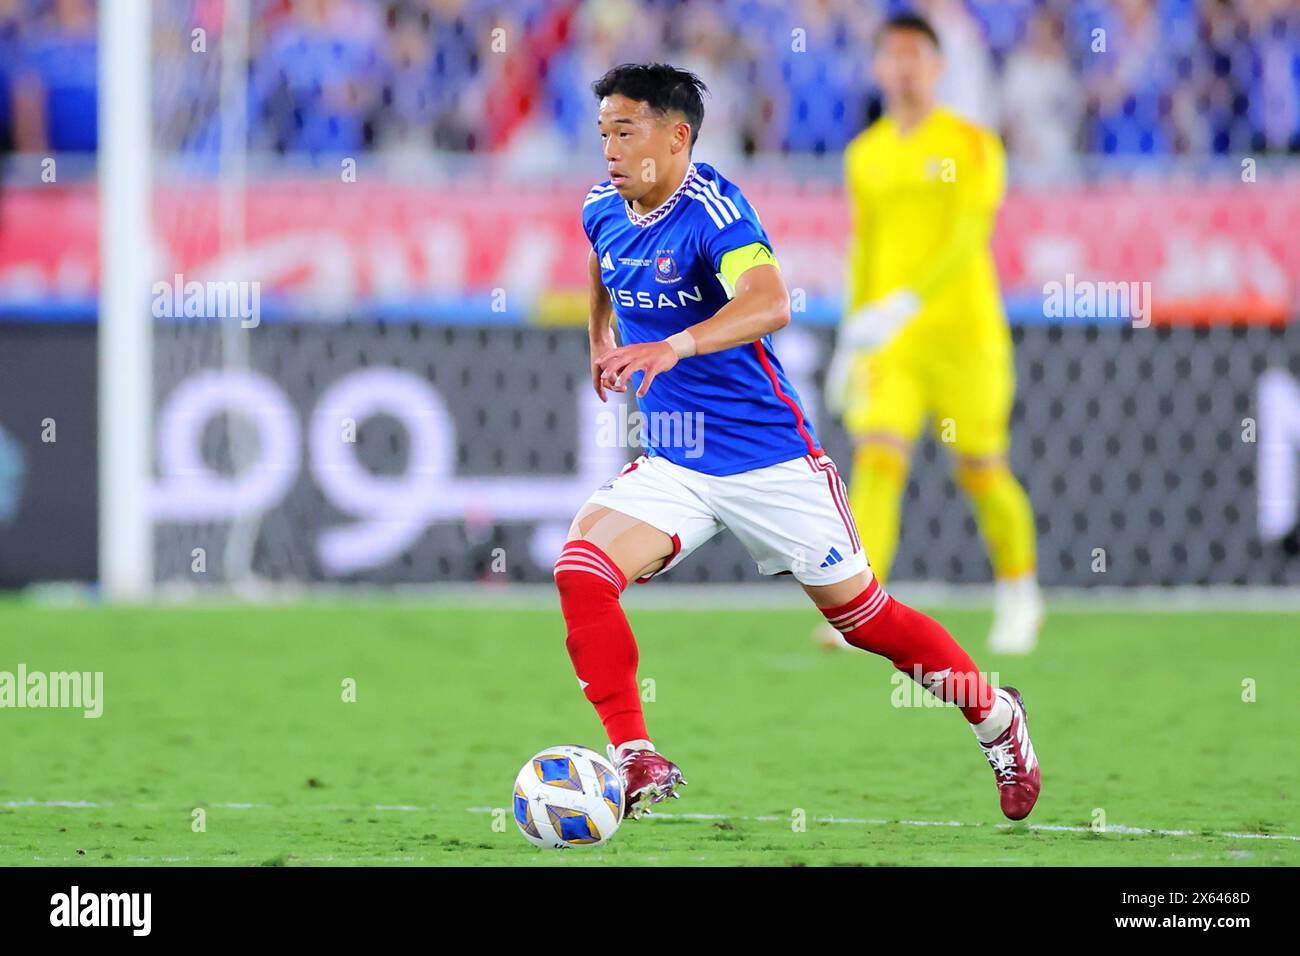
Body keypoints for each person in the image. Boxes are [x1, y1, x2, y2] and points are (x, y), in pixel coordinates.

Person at [551, 62, 1040, 823]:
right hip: (677, 460)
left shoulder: (715, 211)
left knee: (867, 622)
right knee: (581, 569)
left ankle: (996, 718)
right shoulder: (602, 206)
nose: (609, 148)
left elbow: (771, 301)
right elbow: (599, 259)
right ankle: (633, 754)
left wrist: (673, 347)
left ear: (678, 137)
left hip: (768, 460)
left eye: (626, 130)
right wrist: (599, 335)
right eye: (603, 131)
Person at [825, 13, 1043, 654]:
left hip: (964, 337)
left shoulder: (971, 144)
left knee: (980, 468)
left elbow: (968, 236)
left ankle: (1019, 592)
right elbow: (864, 249)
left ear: (939, 66)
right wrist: (850, 336)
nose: (904, 66)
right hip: (892, 345)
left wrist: (908, 302)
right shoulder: (865, 155)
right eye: (892, 55)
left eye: (916, 54)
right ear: (876, 68)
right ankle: (859, 609)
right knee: (877, 457)